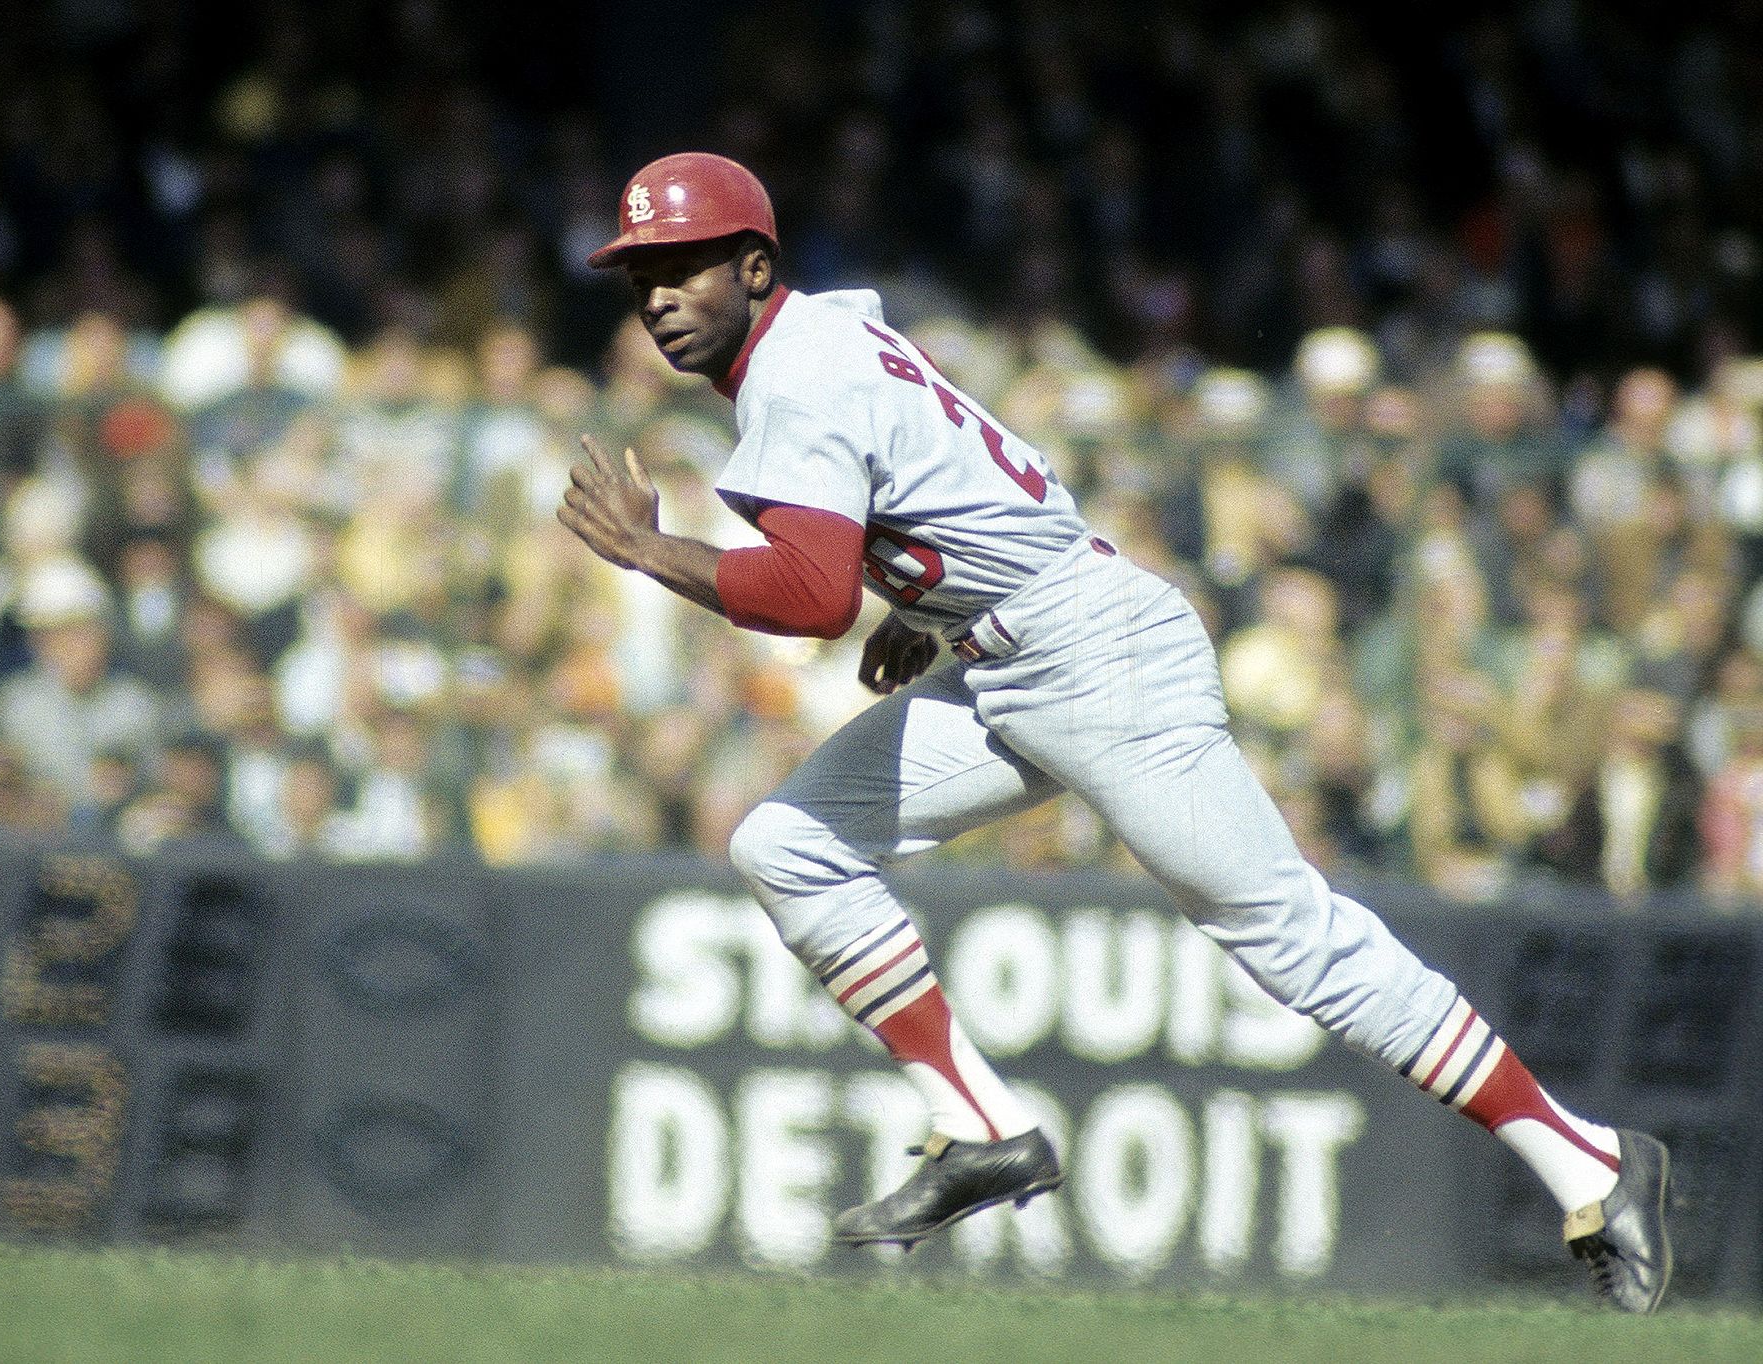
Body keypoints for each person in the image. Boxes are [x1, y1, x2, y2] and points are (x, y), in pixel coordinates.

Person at [559, 153, 1673, 1311]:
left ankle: (1587, 1159)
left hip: (1092, 655)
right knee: (785, 845)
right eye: (640, 274)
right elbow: (942, 495)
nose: (656, 297)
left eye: (682, 267)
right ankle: (978, 1126)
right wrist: (926, 606)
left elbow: (807, 598)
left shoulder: (796, 371)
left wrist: (653, 549)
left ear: (752, 264)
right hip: (1013, 647)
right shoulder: (821, 339)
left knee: (1289, 937)